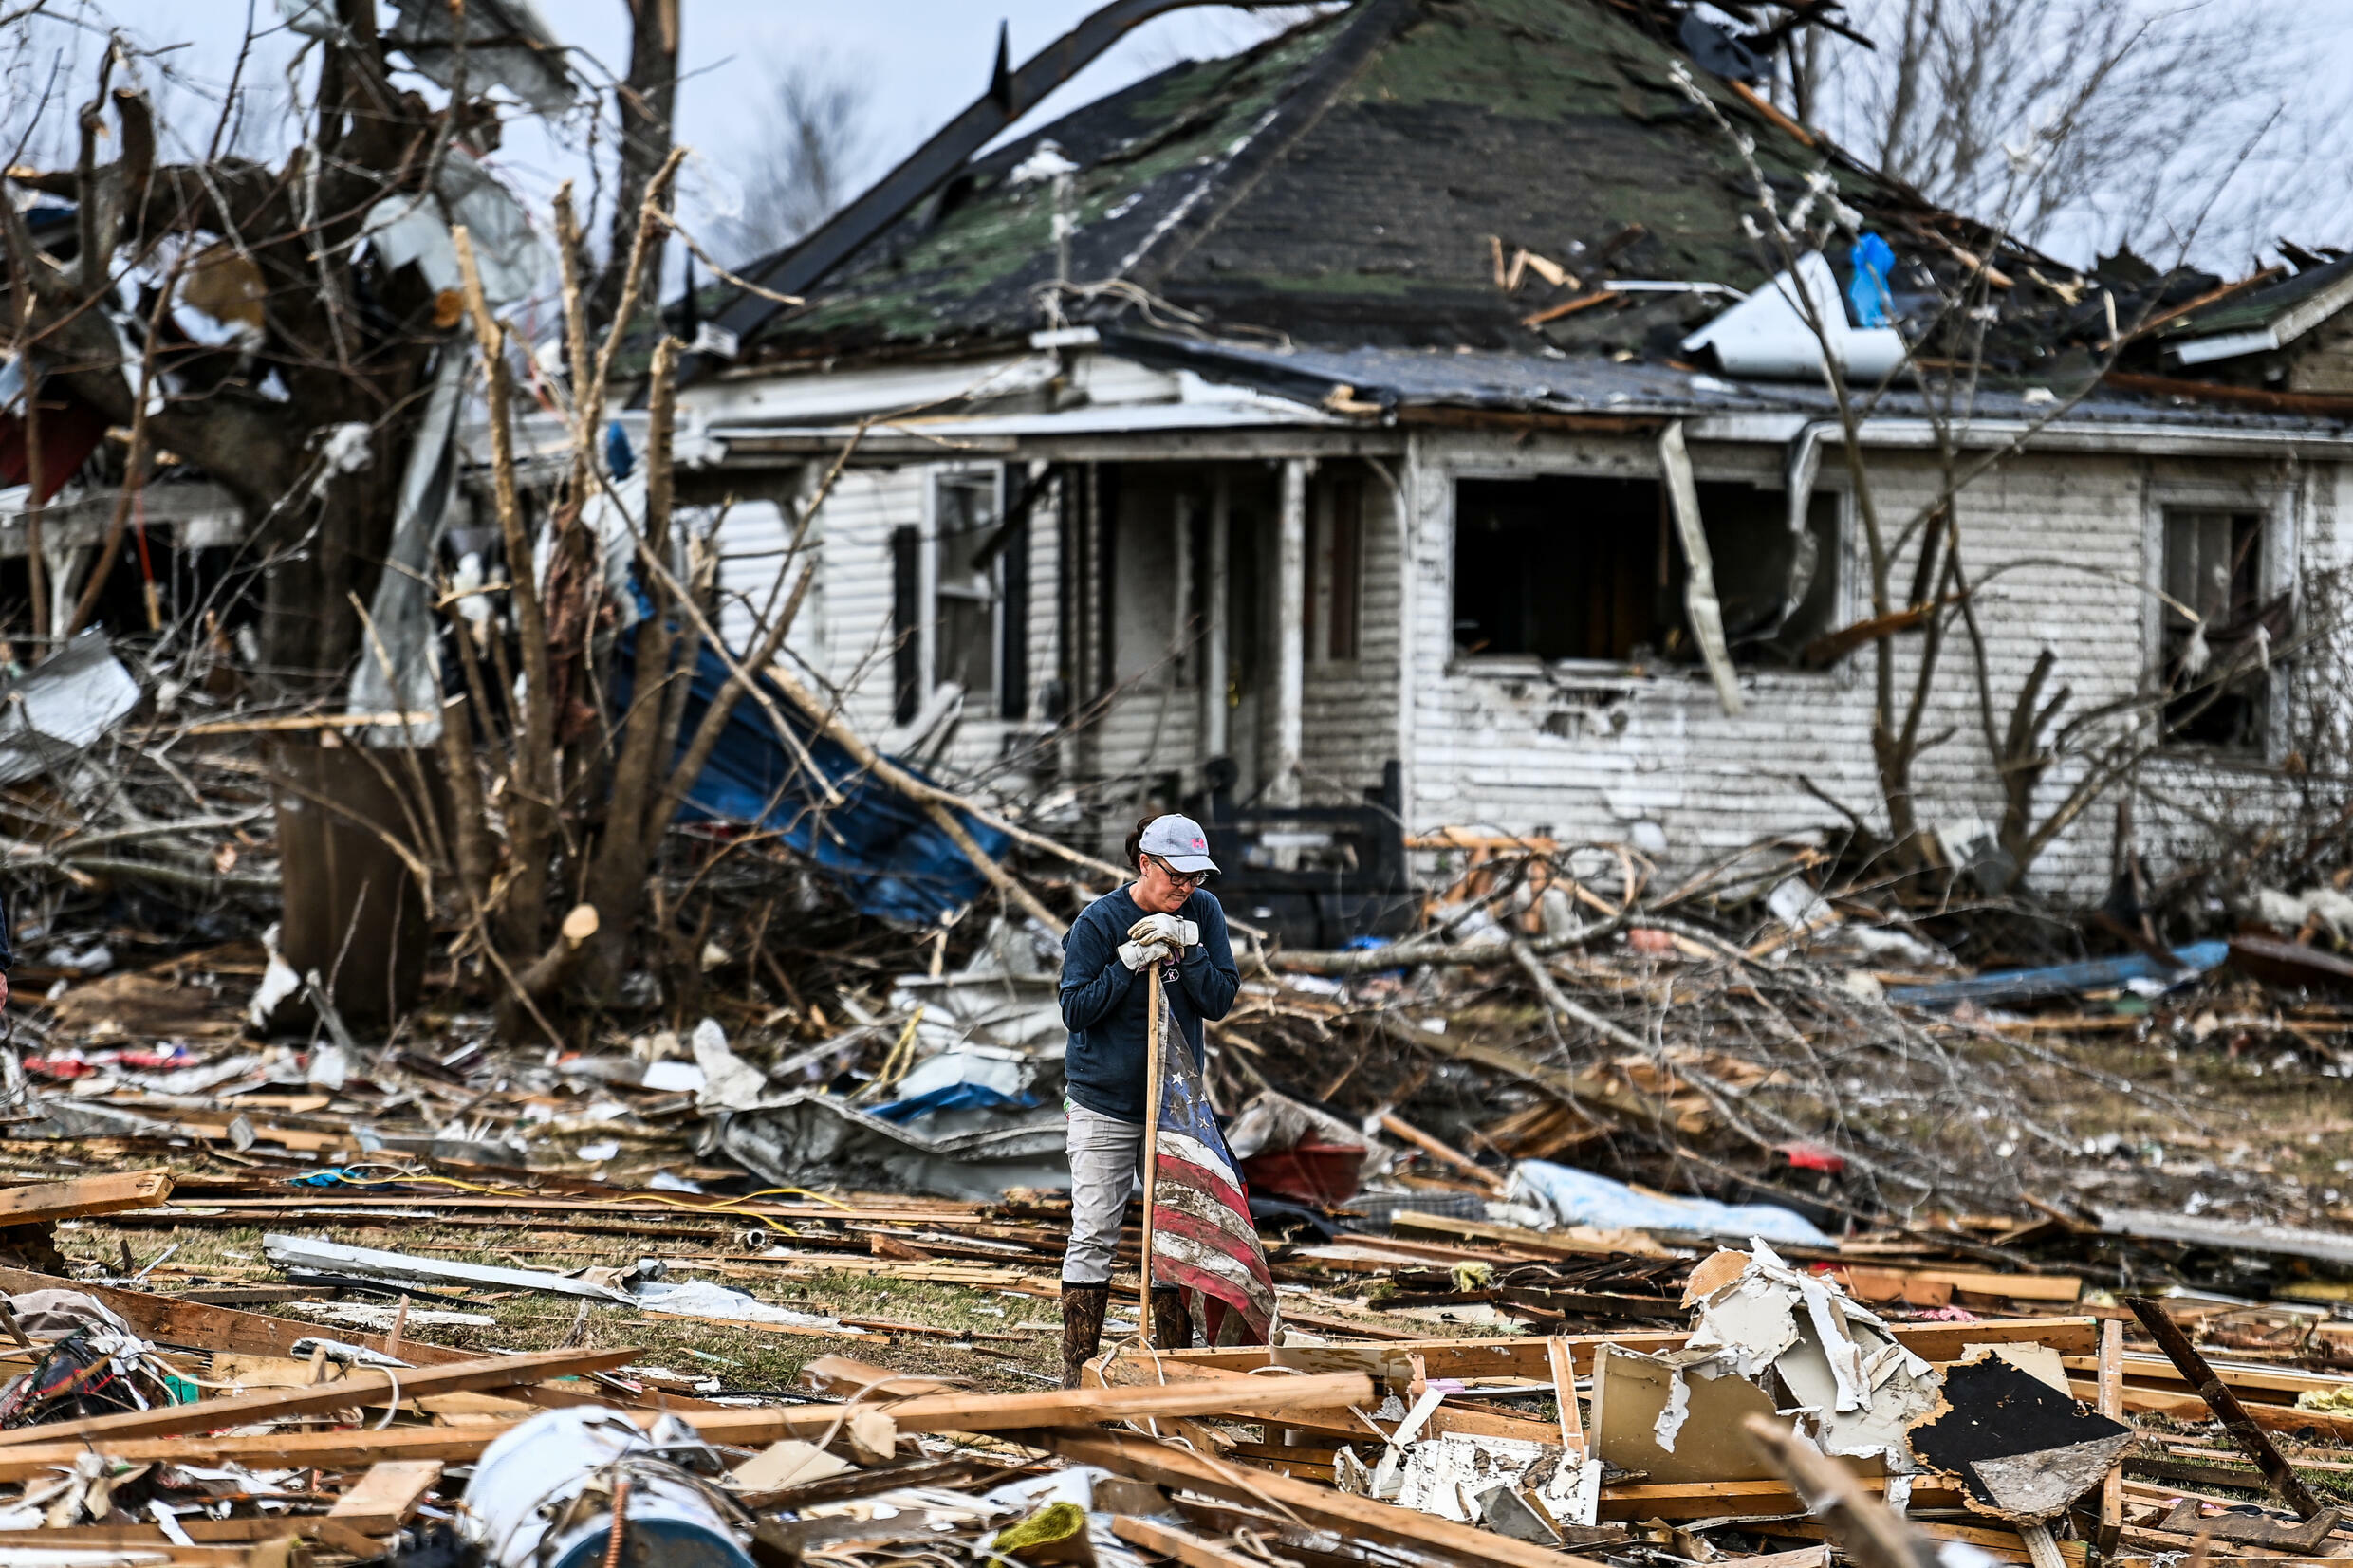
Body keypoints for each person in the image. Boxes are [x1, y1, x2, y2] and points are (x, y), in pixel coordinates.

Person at [1055, 811, 1239, 1386]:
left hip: (1171, 1106)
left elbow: (1219, 999)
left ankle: (1174, 1370)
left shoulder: (1203, 914)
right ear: (1145, 863)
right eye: (1176, 876)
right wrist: (1127, 964)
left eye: (1195, 878)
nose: (1185, 888)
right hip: (1103, 1100)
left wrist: (1190, 952)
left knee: (1173, 1234)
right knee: (1094, 1232)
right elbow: (1074, 1010)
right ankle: (1078, 1372)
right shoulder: (1099, 921)